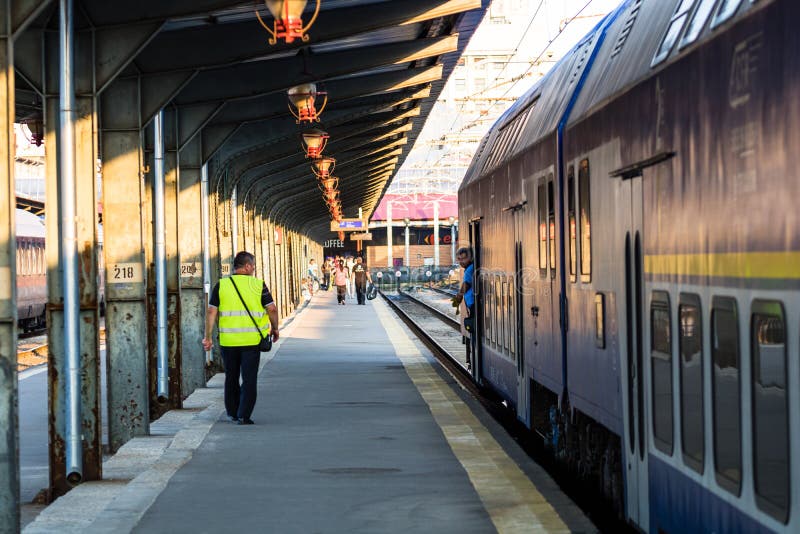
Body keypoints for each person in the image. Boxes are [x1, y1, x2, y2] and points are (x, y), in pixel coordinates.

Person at [202, 251, 279, 425]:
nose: (253, 268)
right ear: (247, 266)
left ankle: (232, 412)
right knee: (249, 378)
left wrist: (208, 337)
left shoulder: (221, 285)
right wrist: (275, 328)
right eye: (252, 265)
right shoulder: (258, 285)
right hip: (251, 341)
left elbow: (211, 311)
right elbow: (272, 309)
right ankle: (244, 415)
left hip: (228, 341)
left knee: (231, 377)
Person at [453, 247, 474, 368]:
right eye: (459, 259)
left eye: (464, 258)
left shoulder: (469, 270)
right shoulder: (469, 268)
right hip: (471, 303)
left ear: (470, 257)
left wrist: (459, 297)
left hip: (473, 304)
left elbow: (466, 284)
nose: (461, 261)